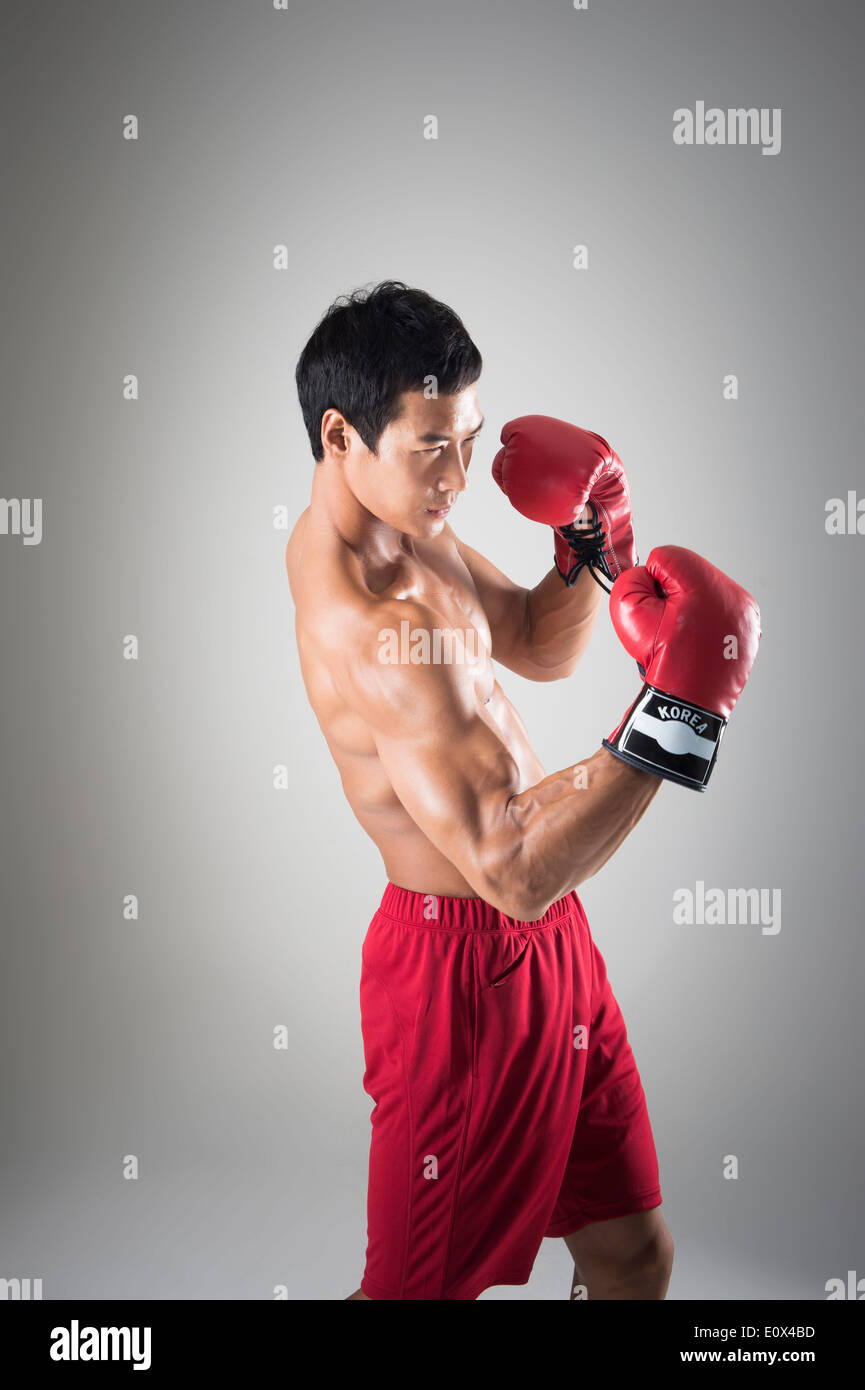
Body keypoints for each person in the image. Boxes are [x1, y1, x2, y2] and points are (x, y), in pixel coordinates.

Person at [285, 281, 759, 1300]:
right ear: (339, 435)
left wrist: (586, 550)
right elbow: (509, 870)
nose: (460, 475)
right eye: (432, 445)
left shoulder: (405, 519)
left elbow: (539, 646)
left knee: (635, 1257)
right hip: (457, 978)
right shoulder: (367, 621)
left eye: (473, 439)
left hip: (554, 952)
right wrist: (675, 715)